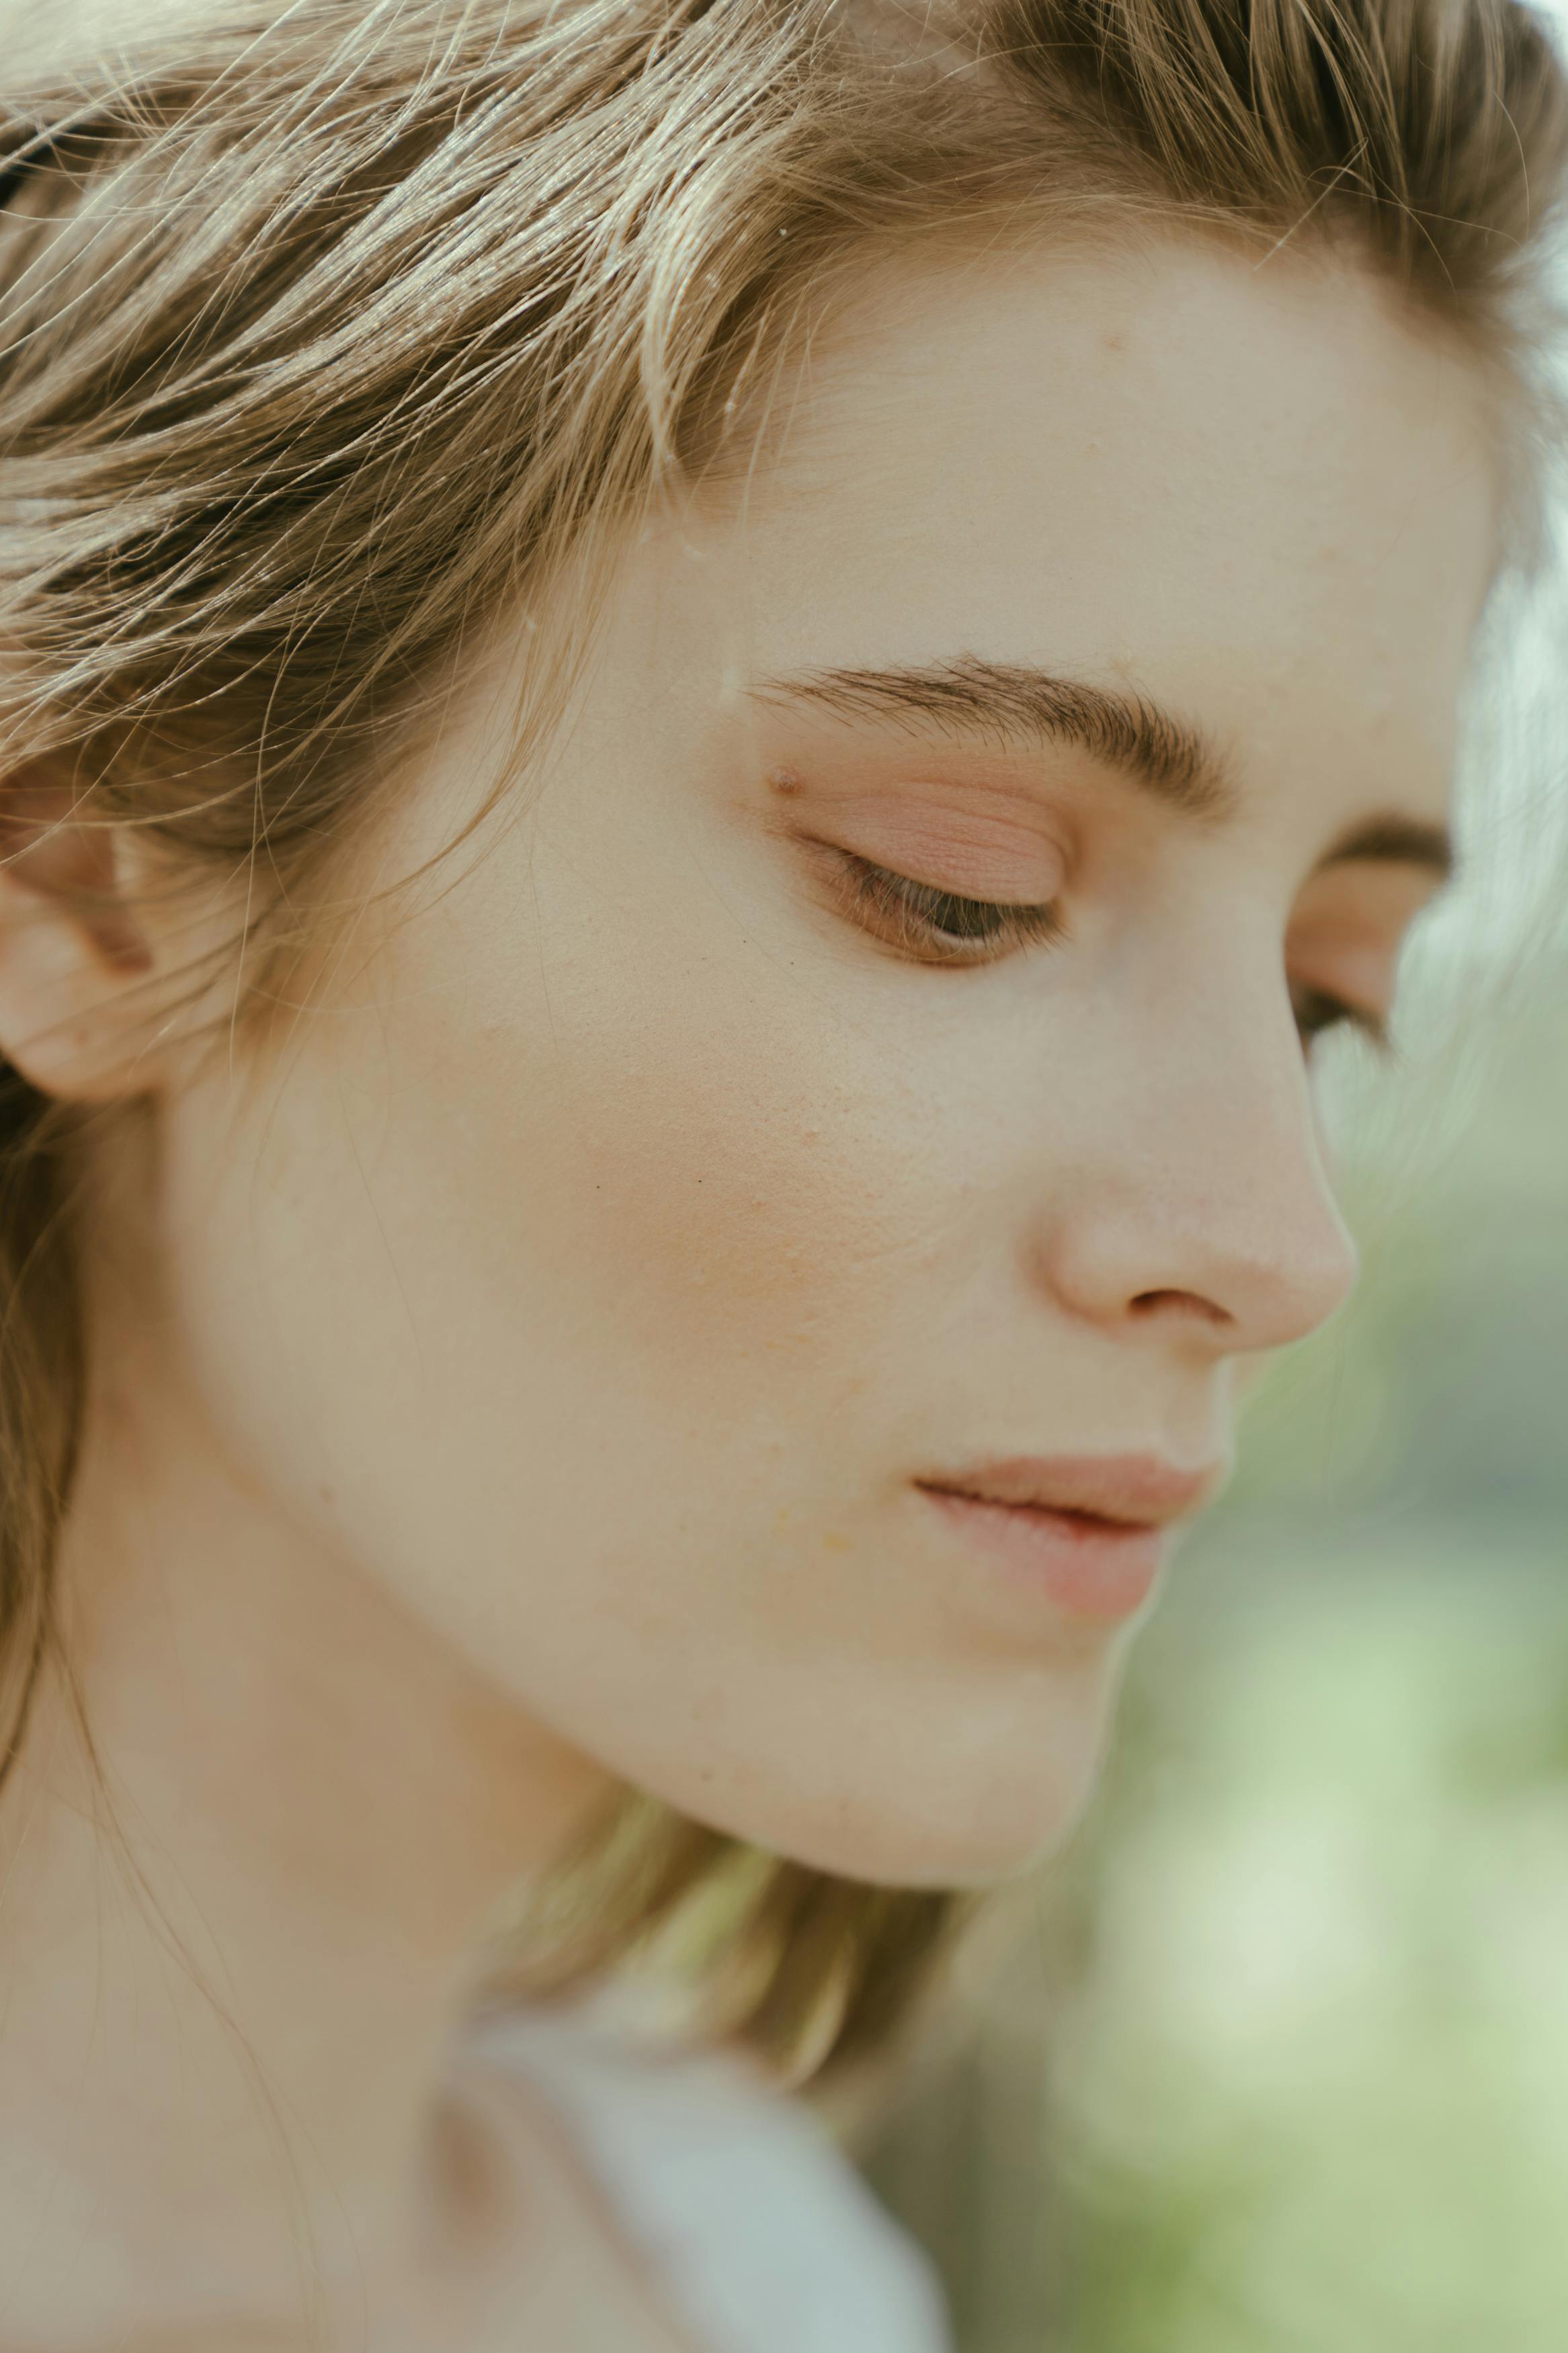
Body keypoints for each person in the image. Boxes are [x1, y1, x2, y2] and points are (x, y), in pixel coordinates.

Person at [0, 0, 1562, 2344]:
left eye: (1328, 993)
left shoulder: (765, 2283)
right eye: (955, 888)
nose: (1277, 1243)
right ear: (94, 868)